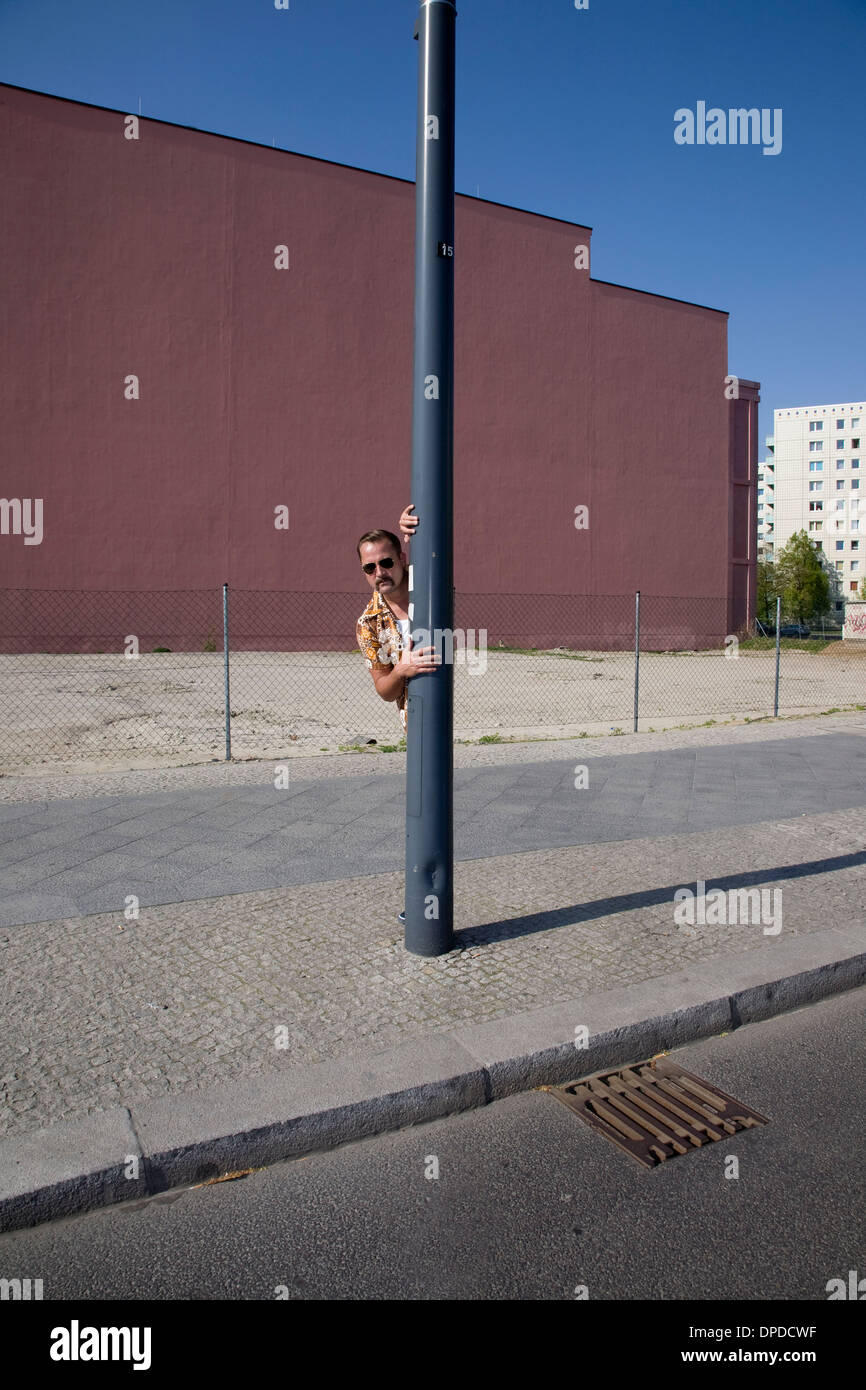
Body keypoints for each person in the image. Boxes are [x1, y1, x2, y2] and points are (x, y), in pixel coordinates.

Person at [355, 503, 440, 926]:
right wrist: (402, 670)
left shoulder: (428, 586)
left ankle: (431, 902)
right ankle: (422, 901)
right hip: (417, 727)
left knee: (439, 810)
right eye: (369, 568)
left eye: (386, 561)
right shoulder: (368, 624)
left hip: (447, 712)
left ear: (401, 559)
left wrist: (414, 533)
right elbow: (385, 691)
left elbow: (436, 555)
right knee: (422, 813)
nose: (379, 573)